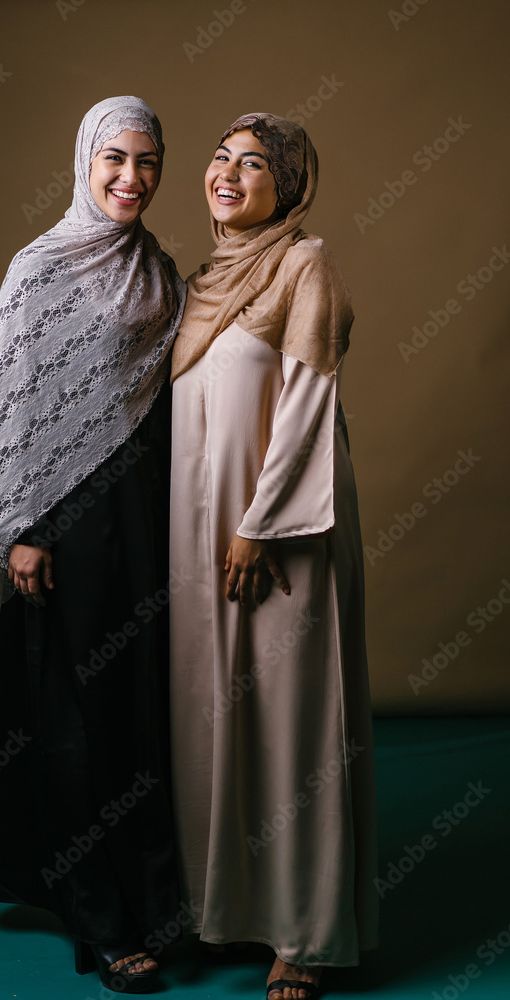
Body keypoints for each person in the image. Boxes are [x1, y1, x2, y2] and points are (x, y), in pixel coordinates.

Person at [0, 96, 186, 994]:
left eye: (146, 163)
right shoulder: (38, 268)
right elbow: (16, 405)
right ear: (83, 161)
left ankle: (157, 901)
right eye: (114, 160)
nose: (130, 179)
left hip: (146, 514)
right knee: (73, 718)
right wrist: (22, 529)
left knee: (141, 707)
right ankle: (98, 918)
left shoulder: (158, 267)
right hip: (65, 523)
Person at [169, 114, 378, 1000]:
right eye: (220, 157)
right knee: (209, 720)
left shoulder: (303, 264)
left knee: (291, 723)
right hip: (191, 537)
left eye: (254, 164)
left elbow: (304, 407)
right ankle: (226, 912)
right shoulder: (200, 279)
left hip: (273, 533)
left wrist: (258, 526)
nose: (228, 173)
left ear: (288, 186)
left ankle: (305, 934)